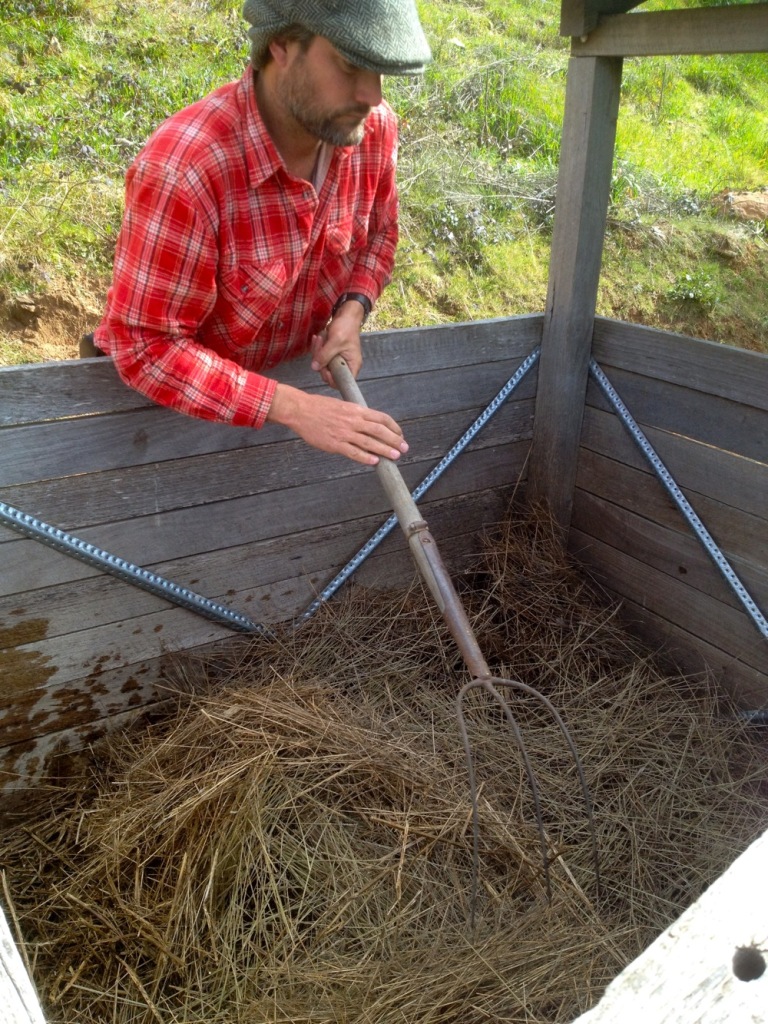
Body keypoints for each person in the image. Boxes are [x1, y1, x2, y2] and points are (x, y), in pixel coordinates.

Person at [90, 0, 431, 466]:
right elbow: (146, 347)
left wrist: (353, 310)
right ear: (282, 44)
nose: (372, 94)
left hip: (282, 406)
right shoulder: (186, 172)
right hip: (163, 423)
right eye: (351, 65)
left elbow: (379, 233)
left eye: (380, 72)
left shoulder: (369, 130)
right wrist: (293, 407)